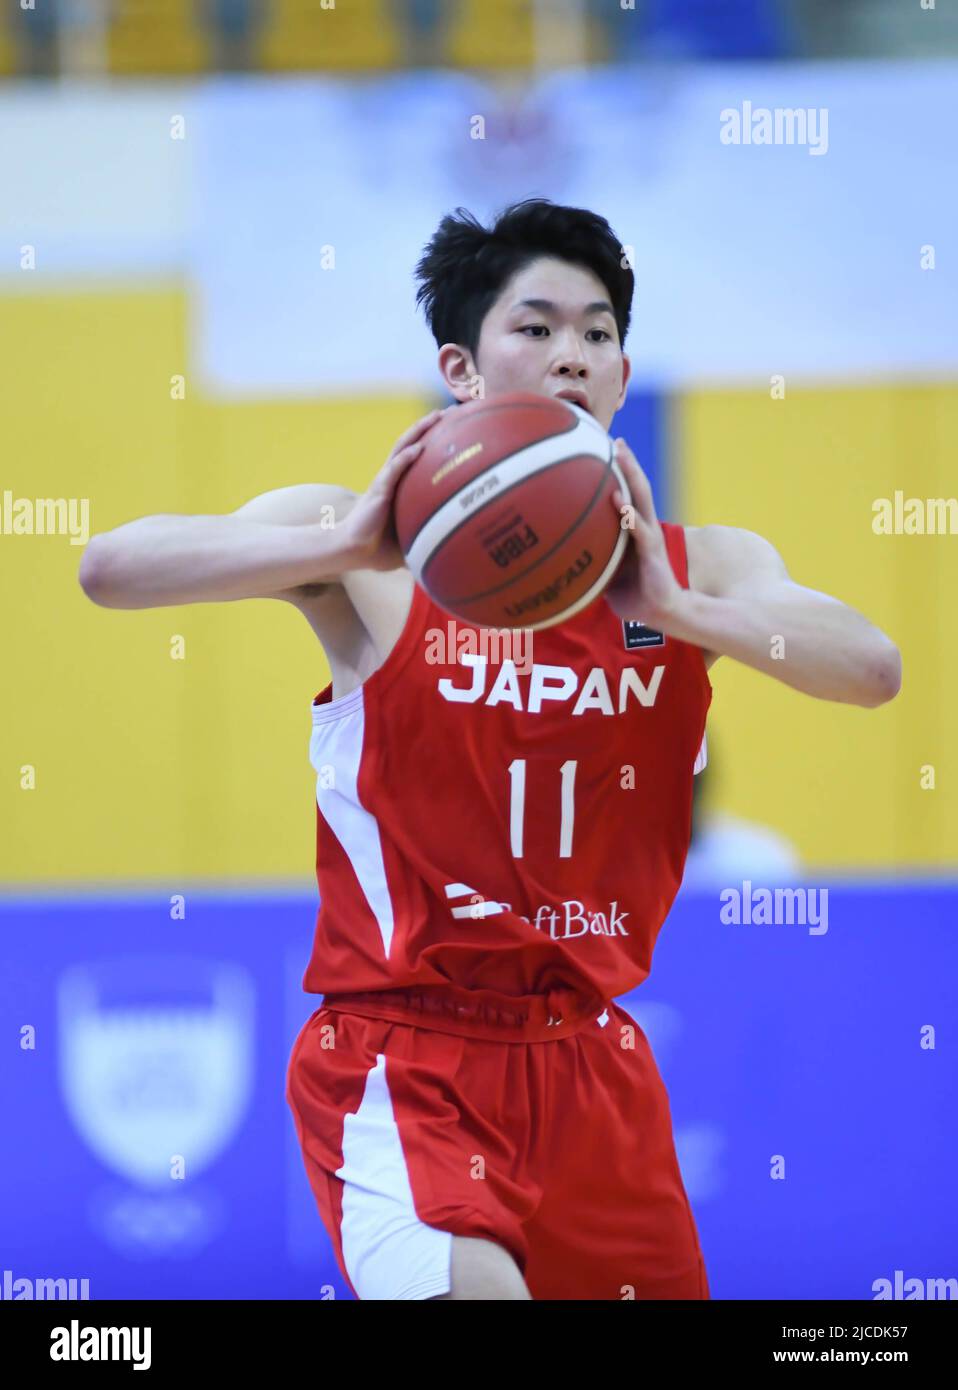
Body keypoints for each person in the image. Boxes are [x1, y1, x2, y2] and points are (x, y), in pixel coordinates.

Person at [79, 198, 901, 1300]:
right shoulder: (365, 548)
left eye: (600, 332)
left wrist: (682, 611)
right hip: (406, 1053)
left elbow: (870, 668)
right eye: (539, 326)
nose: (574, 353)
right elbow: (110, 569)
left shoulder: (700, 567)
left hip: (592, 1063)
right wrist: (337, 542)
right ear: (461, 370)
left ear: (620, 375)